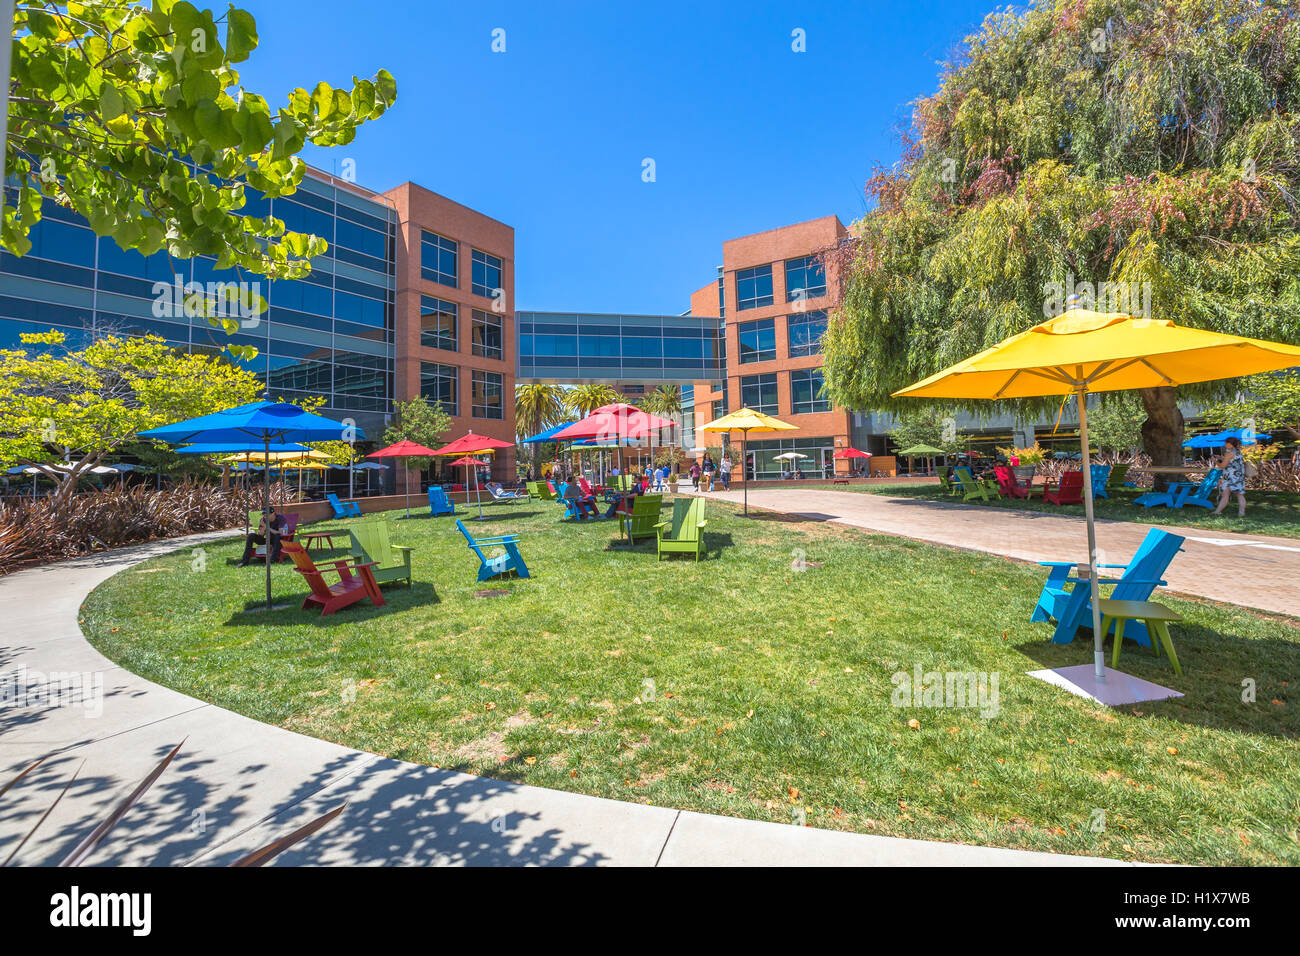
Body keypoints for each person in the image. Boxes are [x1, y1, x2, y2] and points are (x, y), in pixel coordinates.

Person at [1214, 436, 1248, 517]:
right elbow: (1233, 461)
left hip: (1231, 477)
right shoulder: (1238, 452)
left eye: (1226, 443)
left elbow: (1222, 466)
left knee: (1228, 495)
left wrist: (1215, 461)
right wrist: (1222, 458)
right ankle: (1240, 513)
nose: (1225, 444)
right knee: (1237, 495)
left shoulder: (1229, 454)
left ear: (1230, 444)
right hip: (1238, 476)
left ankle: (1218, 512)